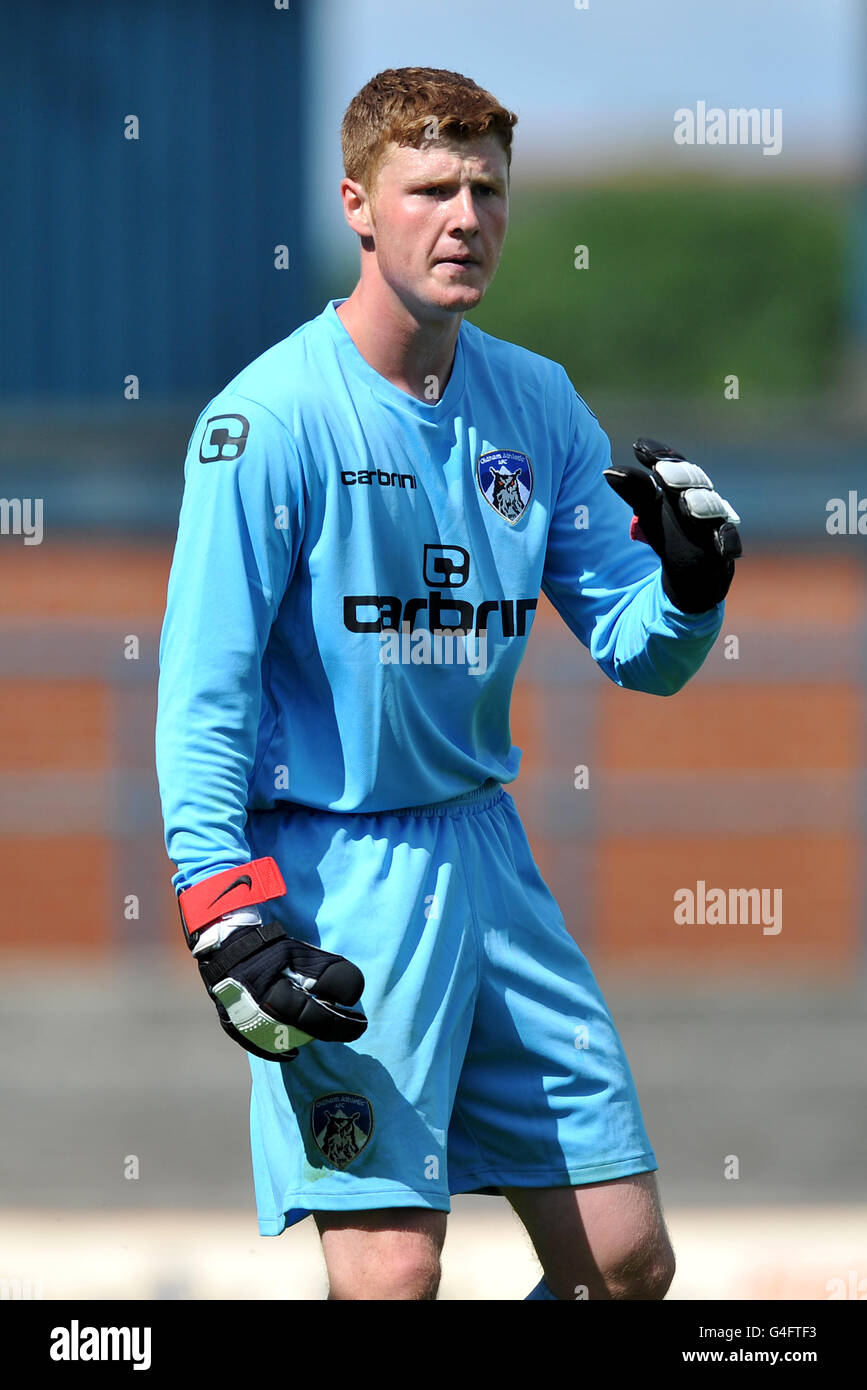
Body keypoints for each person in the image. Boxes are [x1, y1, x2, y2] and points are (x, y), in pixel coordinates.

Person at [155, 65, 741, 1301]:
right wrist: (225, 917)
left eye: (488, 188)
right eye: (432, 188)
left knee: (627, 1263)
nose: (466, 216)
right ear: (359, 206)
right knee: (391, 1281)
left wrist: (690, 590)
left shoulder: (534, 399)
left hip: (491, 857)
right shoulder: (265, 422)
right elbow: (201, 702)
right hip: (336, 877)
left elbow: (638, 649)